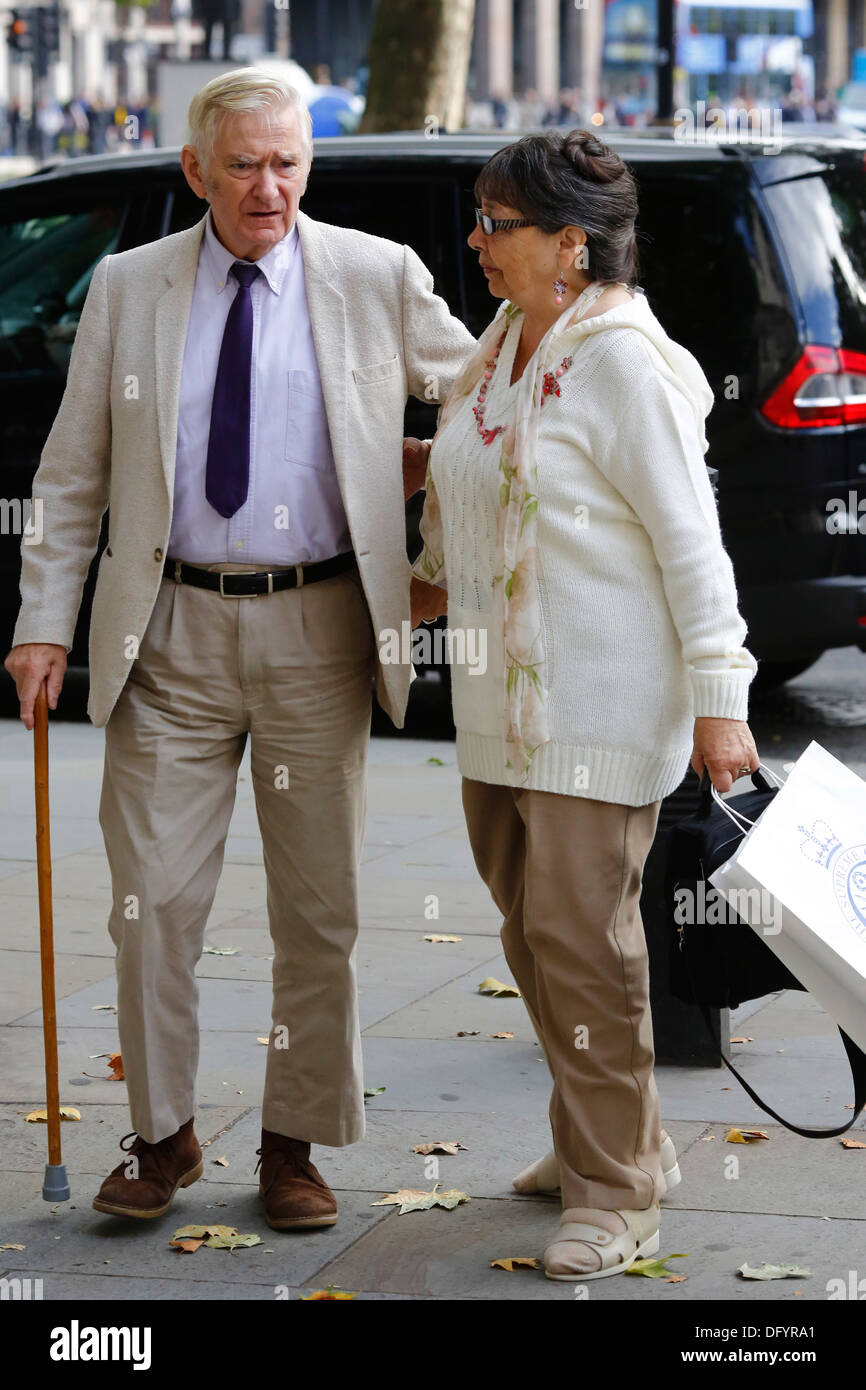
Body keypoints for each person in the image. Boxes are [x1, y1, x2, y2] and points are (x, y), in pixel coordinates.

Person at [5, 70, 473, 1232]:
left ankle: (291, 1143)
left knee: (318, 912)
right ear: (196, 171)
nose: (269, 187)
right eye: (246, 165)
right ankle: (161, 1137)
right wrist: (42, 624)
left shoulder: (374, 274)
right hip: (166, 628)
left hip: (319, 627)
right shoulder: (127, 287)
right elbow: (70, 478)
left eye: (288, 164)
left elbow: (483, 401)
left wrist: (428, 520)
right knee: (151, 902)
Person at [409, 129, 759, 1280]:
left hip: (597, 710)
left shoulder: (621, 363)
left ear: (570, 245)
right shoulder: (506, 339)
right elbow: (473, 481)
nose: (473, 242)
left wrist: (721, 698)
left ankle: (619, 1193)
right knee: (532, 940)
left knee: (584, 950)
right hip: (497, 707)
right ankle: (609, 1142)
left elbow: (689, 543)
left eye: (493, 224)